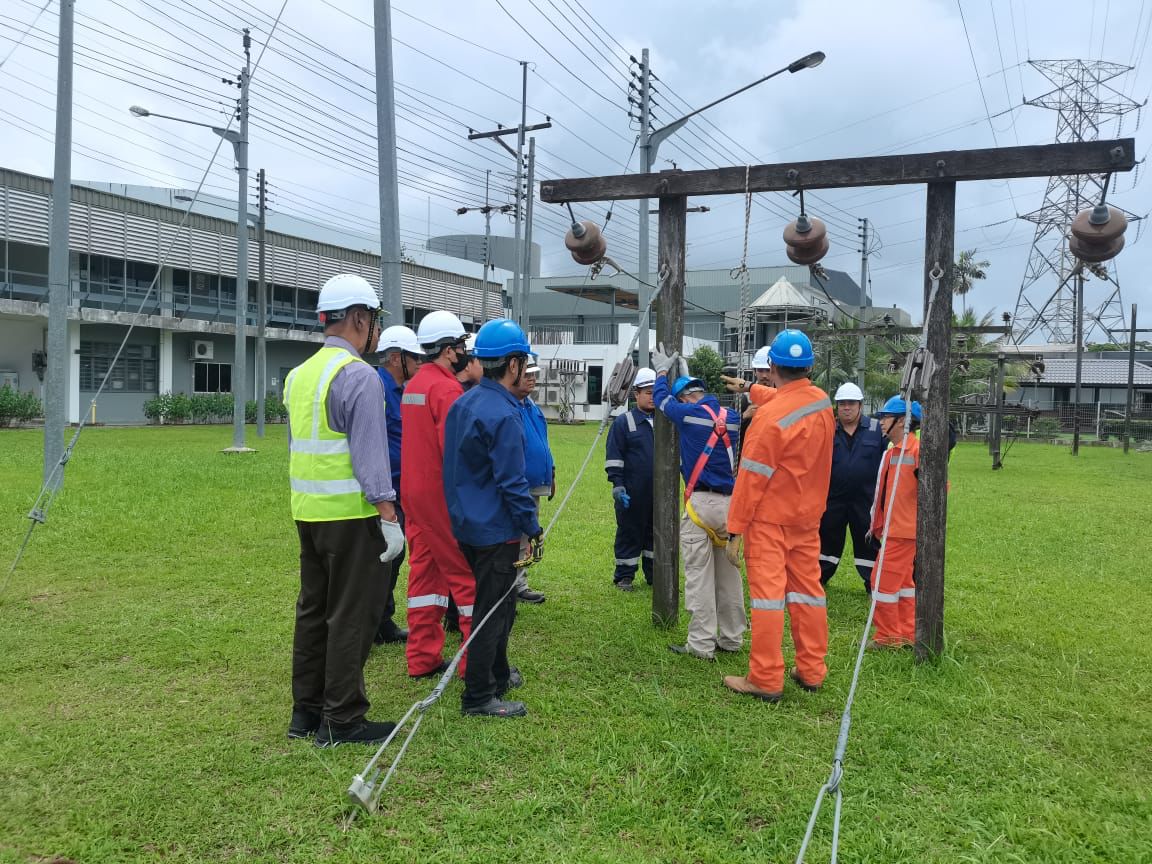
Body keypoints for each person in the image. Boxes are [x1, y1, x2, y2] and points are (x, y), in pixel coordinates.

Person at [283, 274, 405, 747]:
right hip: (353, 517)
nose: (375, 330)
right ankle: (342, 720)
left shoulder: (299, 375)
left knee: (313, 611)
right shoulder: (359, 376)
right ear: (358, 318)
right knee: (352, 616)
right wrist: (389, 517)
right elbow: (370, 457)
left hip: (309, 512)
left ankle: (306, 713)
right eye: (373, 320)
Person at [722, 329, 834, 703]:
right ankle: (812, 670)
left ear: (771, 367)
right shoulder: (822, 403)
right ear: (810, 367)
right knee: (808, 594)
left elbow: (750, 480)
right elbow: (791, 400)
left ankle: (765, 678)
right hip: (807, 518)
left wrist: (735, 530)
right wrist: (749, 388)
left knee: (768, 599)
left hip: (770, 521)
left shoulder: (768, 420)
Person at [443, 318, 542, 718]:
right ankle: (479, 696)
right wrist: (532, 527)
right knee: (493, 611)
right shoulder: (504, 413)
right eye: (524, 363)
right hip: (496, 529)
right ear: (513, 364)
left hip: (467, 525)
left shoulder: (464, 402)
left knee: (501, 604)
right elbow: (512, 482)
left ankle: (498, 674)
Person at [651, 345, 745, 661]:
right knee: (729, 577)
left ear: (686, 399)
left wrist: (661, 371)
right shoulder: (732, 418)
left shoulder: (687, 414)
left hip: (701, 505)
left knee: (699, 577)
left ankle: (701, 644)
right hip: (730, 507)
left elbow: (661, 400)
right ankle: (732, 638)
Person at [401, 310, 476, 680]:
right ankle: (474, 665)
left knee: (424, 578)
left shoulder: (414, 385)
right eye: (461, 345)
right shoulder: (447, 390)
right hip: (439, 497)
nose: (464, 352)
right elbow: (455, 452)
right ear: (448, 350)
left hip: (413, 496)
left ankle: (422, 658)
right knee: (466, 576)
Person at [372, 325, 422, 645]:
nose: (418, 361)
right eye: (413, 356)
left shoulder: (404, 391)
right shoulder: (376, 388)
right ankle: (372, 623)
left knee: (395, 555)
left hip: (402, 485)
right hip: (384, 488)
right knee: (382, 558)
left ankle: (382, 620)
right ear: (395, 358)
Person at [818, 382, 886, 593]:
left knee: (867, 542)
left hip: (865, 499)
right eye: (842, 403)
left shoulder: (877, 429)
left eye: (851, 403)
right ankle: (818, 579)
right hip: (833, 498)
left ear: (860, 405)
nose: (846, 407)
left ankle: (872, 583)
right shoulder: (828, 428)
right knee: (827, 539)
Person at [868, 396, 921, 648]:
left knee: (882, 584)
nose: (881, 422)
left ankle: (889, 637)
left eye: (885, 417)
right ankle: (908, 633)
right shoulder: (894, 452)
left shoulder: (916, 451)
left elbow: (937, 489)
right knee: (903, 585)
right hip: (895, 529)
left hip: (902, 531)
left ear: (902, 421)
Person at [605, 367, 656, 592]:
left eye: (656, 392)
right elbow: (614, 457)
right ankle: (624, 576)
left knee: (655, 534)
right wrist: (618, 485)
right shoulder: (624, 422)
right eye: (648, 393)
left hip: (658, 493)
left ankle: (655, 575)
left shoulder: (664, 422)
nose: (653, 397)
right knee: (630, 532)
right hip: (632, 492)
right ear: (637, 394)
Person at [511, 357, 552, 604]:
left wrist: (551, 472)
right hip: (518, 484)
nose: (532, 379)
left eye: (534, 374)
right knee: (516, 536)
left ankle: (520, 584)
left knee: (527, 535)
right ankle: (514, 586)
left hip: (535, 482)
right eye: (527, 374)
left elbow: (542, 441)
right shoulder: (510, 407)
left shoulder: (531, 406)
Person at [738, 346, 774, 445]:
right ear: (754, 372)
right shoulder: (745, 398)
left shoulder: (783, 397)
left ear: (775, 371)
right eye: (760, 370)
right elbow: (727, 428)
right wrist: (744, 416)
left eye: (768, 370)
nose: (764, 375)